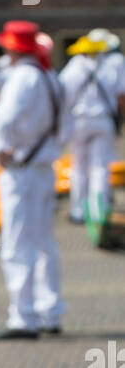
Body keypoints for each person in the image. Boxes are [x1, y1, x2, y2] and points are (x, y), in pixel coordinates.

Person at [0, 19, 65, 340]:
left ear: (11, 48)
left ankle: (23, 317)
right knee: (44, 242)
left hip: (21, 169)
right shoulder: (51, 78)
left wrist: (1, 148)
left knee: (17, 244)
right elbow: (65, 125)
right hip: (45, 167)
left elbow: (4, 117)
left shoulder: (22, 78)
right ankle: (51, 309)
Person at [59, 29, 125, 226]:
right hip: (103, 120)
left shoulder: (74, 66)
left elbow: (62, 95)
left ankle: (78, 210)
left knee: (78, 167)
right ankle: (99, 212)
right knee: (100, 167)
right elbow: (122, 96)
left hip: (78, 121)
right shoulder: (114, 65)